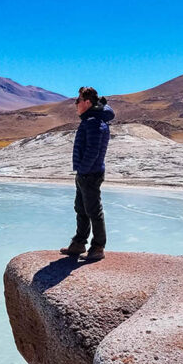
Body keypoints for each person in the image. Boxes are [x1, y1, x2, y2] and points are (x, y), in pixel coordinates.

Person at [60, 86, 115, 261]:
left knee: (93, 210)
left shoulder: (94, 121)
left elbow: (93, 150)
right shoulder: (90, 120)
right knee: (81, 208)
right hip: (85, 173)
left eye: (78, 100)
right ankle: (79, 243)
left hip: (90, 173)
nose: (75, 104)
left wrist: (83, 170)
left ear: (87, 102)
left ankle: (98, 247)